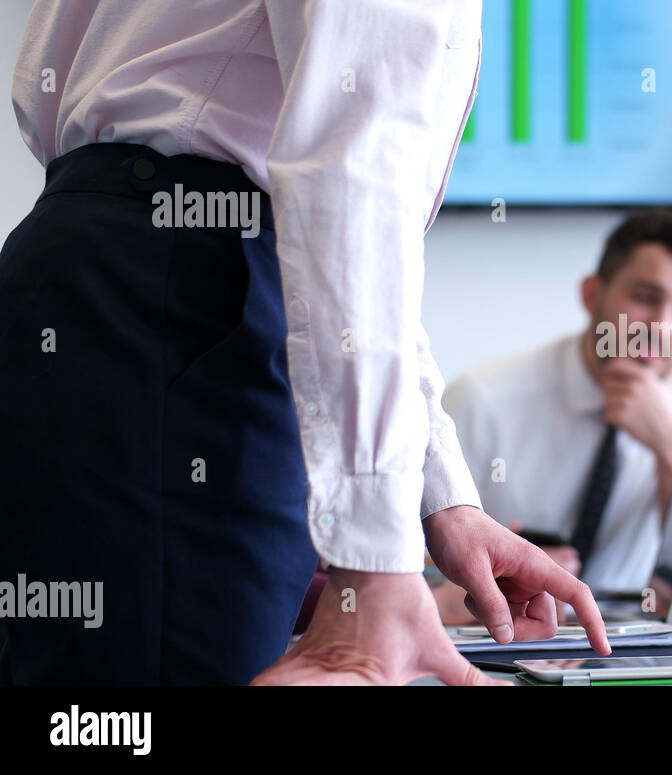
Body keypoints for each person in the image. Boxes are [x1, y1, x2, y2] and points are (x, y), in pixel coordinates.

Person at [0, 0, 606, 686]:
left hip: (115, 278)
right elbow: (350, 180)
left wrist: (440, 498)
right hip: (187, 298)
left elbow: (353, 237)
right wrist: (375, 566)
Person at [436, 210, 672, 619]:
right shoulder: (483, 400)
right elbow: (411, 566)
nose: (661, 327)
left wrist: (671, 441)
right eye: (645, 298)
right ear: (591, 294)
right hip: (504, 635)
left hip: (633, 647)